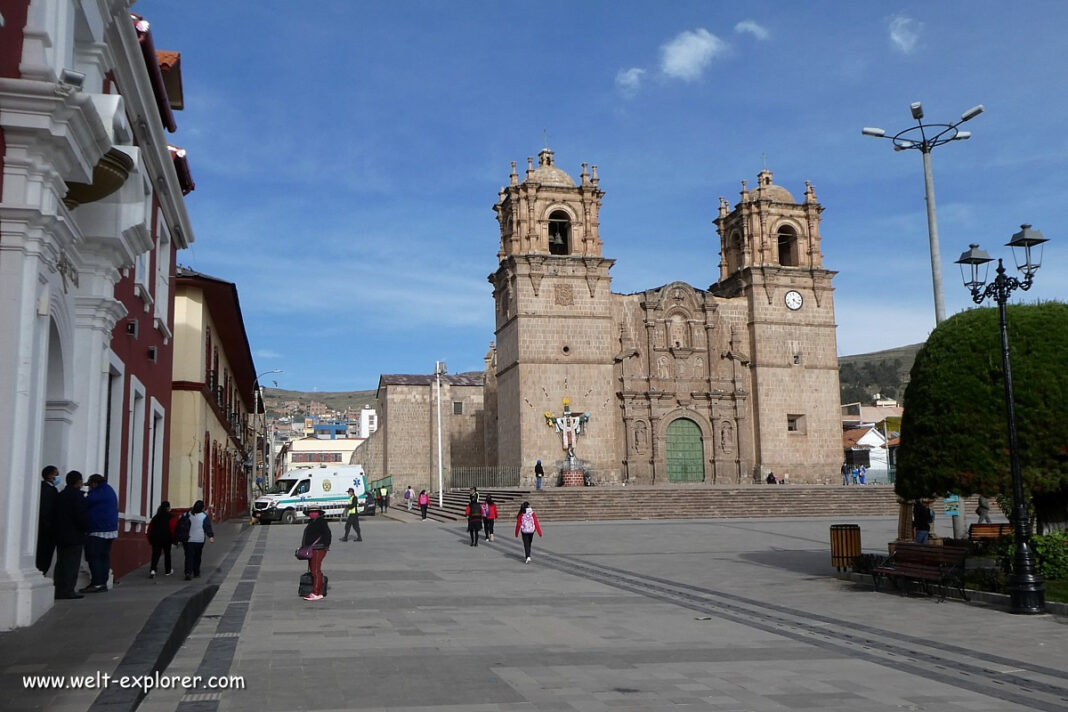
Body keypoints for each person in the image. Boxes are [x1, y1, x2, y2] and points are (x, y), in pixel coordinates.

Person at [52, 470, 88, 599]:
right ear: (78, 482)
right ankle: (68, 590)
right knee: (72, 564)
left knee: (61, 563)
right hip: (74, 535)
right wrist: (86, 527)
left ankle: (58, 588)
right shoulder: (77, 497)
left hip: (60, 534)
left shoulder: (61, 495)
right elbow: (81, 516)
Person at [82, 474, 118, 593]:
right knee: (104, 556)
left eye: (90, 485)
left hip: (98, 530)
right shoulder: (109, 490)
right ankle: (103, 582)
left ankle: (97, 583)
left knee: (94, 557)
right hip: (110, 531)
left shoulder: (98, 492)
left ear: (94, 483)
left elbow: (86, 503)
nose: (89, 488)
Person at [301, 506, 331, 601]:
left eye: (314, 512)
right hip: (312, 549)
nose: (312, 513)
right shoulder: (311, 522)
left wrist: (324, 545)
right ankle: (317, 590)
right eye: (311, 512)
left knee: (316, 570)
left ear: (318, 513)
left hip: (318, 548)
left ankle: (316, 592)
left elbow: (327, 535)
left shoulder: (321, 522)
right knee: (313, 569)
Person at [179, 500, 215, 580]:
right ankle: (196, 572)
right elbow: (207, 527)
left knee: (189, 556)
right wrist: (211, 536)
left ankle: (188, 572)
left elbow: (180, 523)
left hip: (188, 540)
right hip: (199, 539)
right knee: (197, 556)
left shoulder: (187, 514)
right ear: (202, 508)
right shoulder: (204, 516)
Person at [37, 465, 60, 574]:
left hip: (44, 527)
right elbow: (47, 510)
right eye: (56, 474)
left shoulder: (42, 488)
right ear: (50, 476)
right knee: (45, 555)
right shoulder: (49, 490)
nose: (58, 477)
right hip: (47, 529)